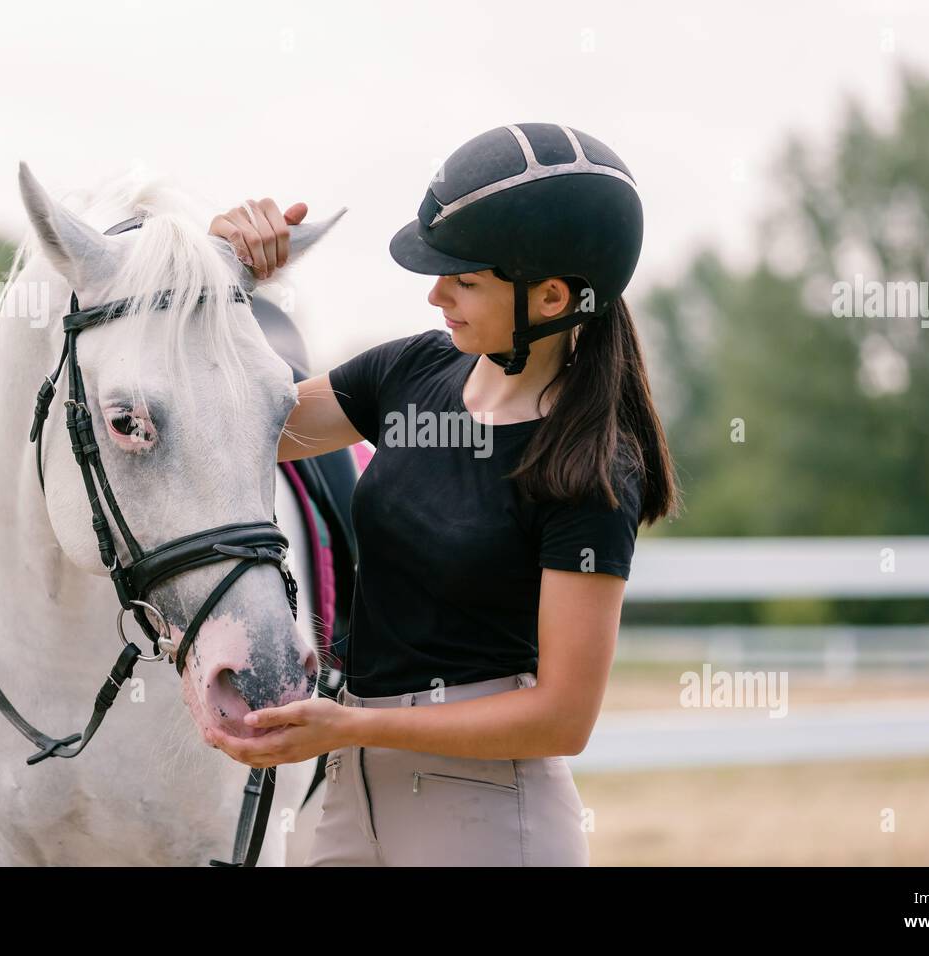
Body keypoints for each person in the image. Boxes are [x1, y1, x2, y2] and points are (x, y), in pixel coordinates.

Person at [205, 123, 679, 866]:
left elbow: (561, 719)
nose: (434, 294)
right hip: (345, 785)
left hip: (485, 812)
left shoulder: (591, 471)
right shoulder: (416, 370)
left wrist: (354, 728)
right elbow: (239, 427)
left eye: (463, 281)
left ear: (549, 297)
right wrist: (218, 278)